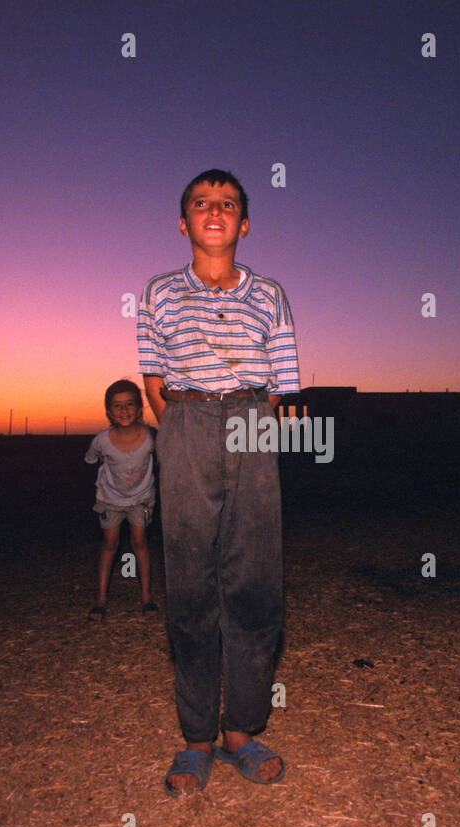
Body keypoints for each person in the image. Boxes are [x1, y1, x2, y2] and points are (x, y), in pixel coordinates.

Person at [137, 169, 300, 795]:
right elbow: (152, 379)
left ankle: (242, 731)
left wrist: (255, 431)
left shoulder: (271, 294)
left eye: (228, 204)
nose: (215, 211)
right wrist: (185, 431)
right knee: (191, 582)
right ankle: (197, 739)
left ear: (244, 223)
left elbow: (284, 385)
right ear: (184, 223)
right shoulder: (157, 292)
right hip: (187, 422)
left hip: (256, 422)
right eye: (202, 203)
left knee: (255, 579)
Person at [83, 379, 158, 620]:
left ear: (139, 409)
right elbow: (92, 458)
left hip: (141, 498)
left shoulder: (150, 437)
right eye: (117, 406)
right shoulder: (102, 439)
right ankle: (101, 599)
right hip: (110, 499)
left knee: (139, 542)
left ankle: (146, 598)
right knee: (110, 544)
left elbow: (163, 458)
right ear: (108, 411)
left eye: (129, 404)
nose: (123, 410)